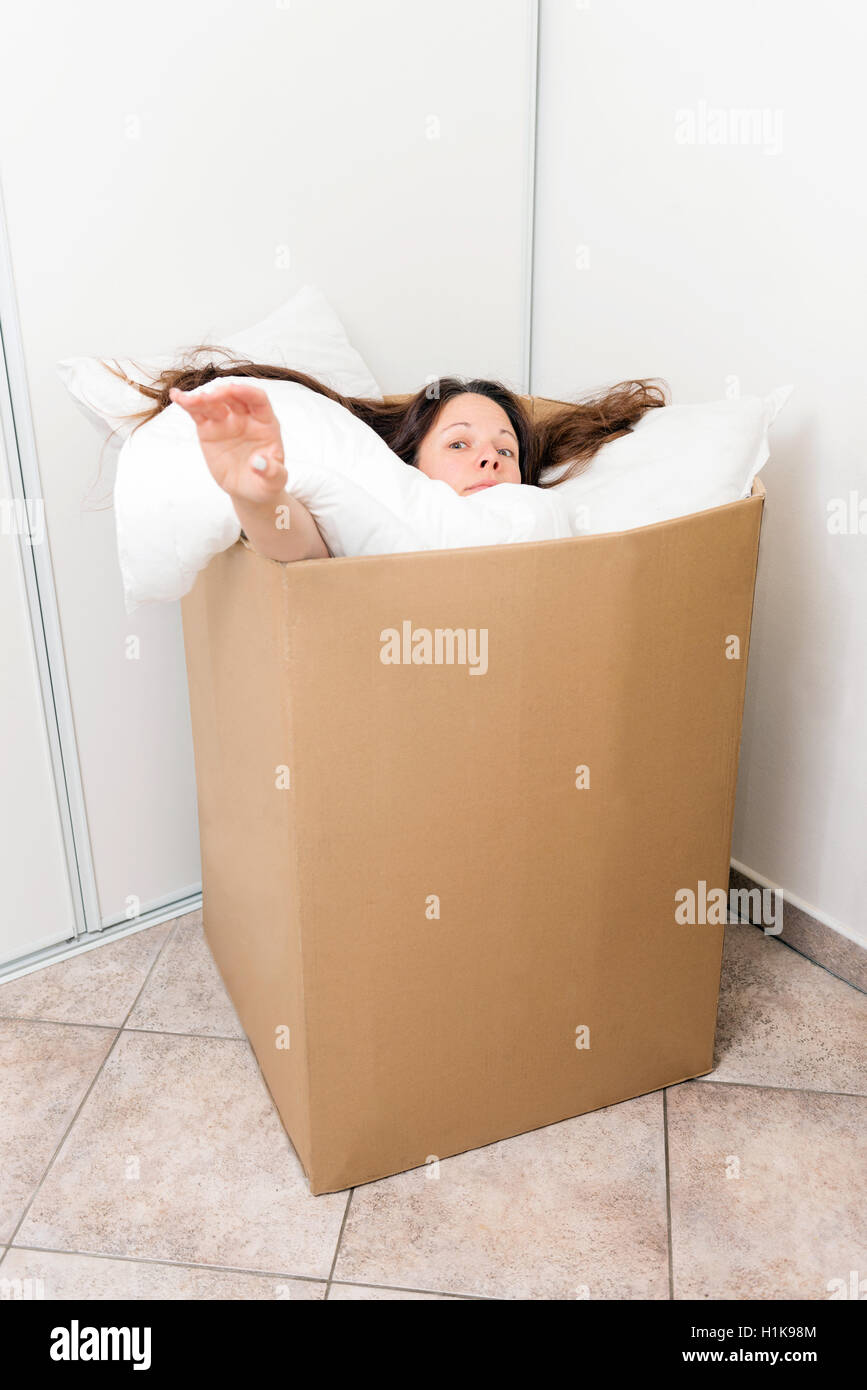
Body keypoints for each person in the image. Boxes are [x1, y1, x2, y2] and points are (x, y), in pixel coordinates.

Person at [123, 354, 666, 562]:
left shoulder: (540, 516)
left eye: (506, 448)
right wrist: (257, 493)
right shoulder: (386, 501)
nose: (490, 459)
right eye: (459, 443)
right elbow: (301, 548)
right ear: (410, 461)